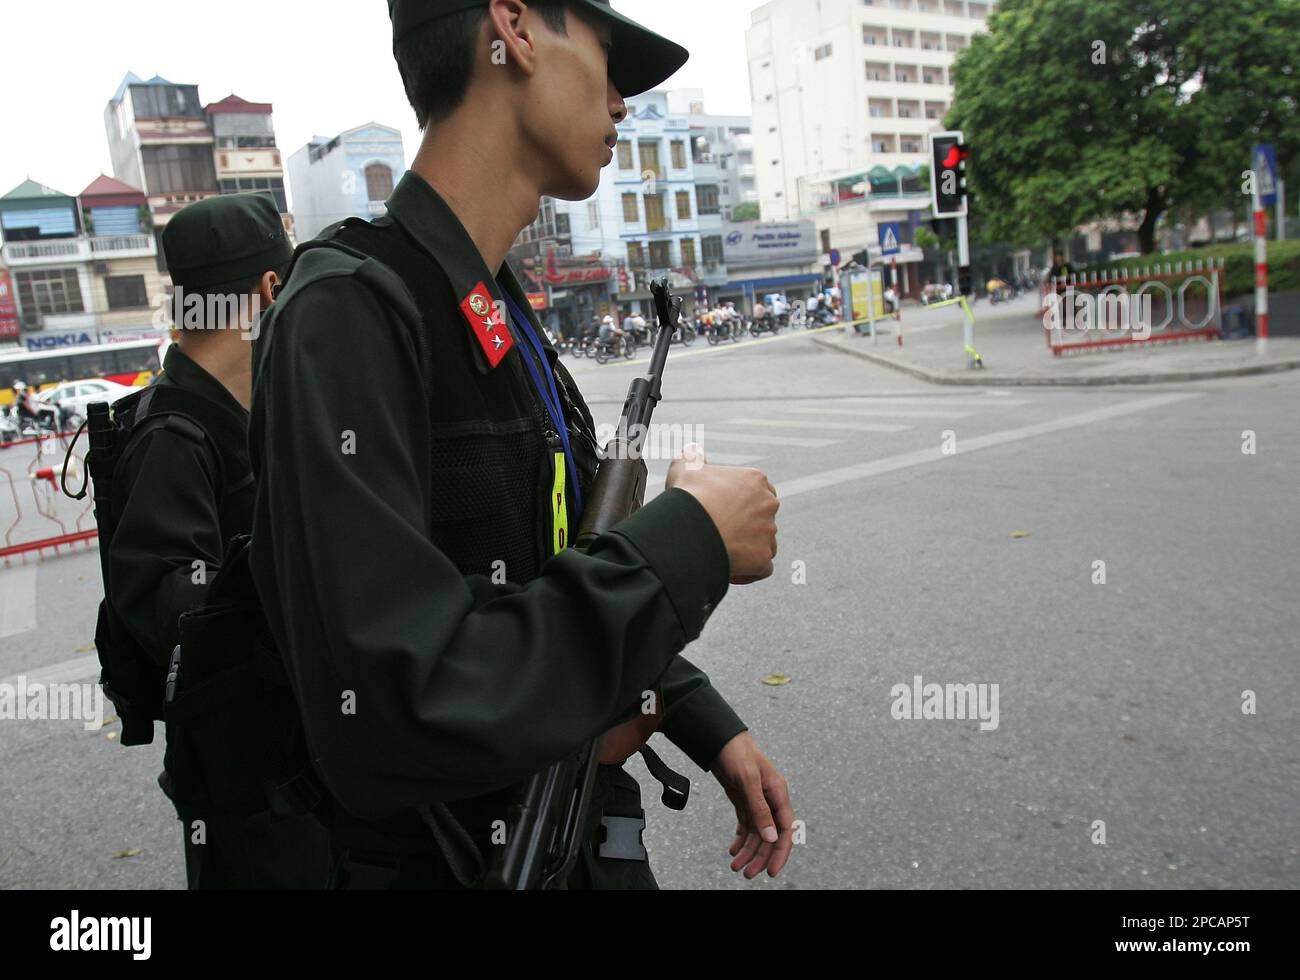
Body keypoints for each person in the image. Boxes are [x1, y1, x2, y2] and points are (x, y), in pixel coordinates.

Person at [249, 0, 792, 891]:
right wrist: (689, 539)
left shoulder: (492, 304)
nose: (621, 101)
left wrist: (704, 720)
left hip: (564, 835)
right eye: (607, 54)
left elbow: (549, 571)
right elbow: (395, 709)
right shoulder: (347, 314)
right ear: (514, 25)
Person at [103, 194, 331, 889]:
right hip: (246, 786)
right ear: (271, 289)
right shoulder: (175, 433)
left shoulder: (256, 409)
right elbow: (167, 607)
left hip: (300, 760)